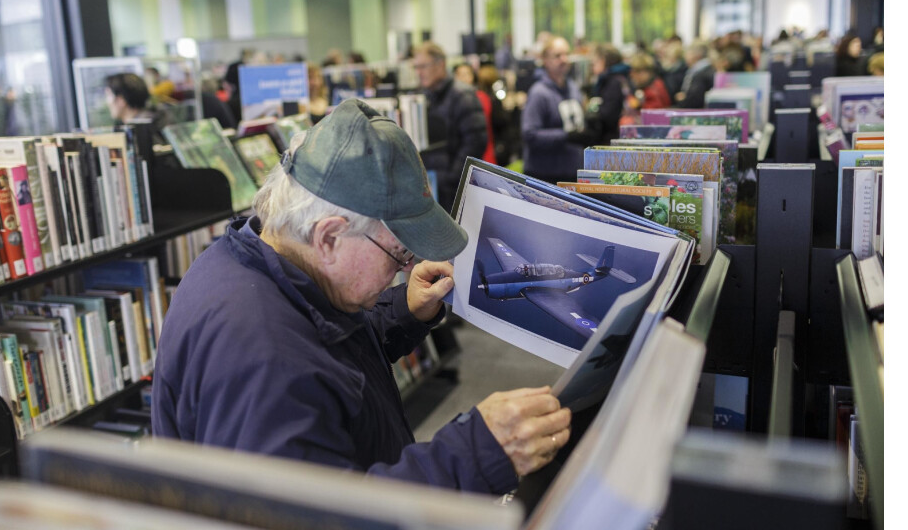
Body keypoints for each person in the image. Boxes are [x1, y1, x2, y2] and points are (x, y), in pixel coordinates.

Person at [152, 99, 572, 493]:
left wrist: (401, 312)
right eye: (398, 252)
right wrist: (475, 455)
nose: (406, 266)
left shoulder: (262, 264)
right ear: (330, 235)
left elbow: (321, 352)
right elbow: (317, 517)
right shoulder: (261, 358)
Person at [413, 42, 488, 212]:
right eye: (416, 67)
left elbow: (475, 142)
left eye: (423, 66)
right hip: (434, 188)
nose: (419, 72)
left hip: (456, 191)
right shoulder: (424, 97)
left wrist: (451, 178)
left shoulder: (463, 95)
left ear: (441, 64)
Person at [521, 35, 587, 184]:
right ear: (545, 60)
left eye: (566, 54)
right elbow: (529, 134)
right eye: (557, 56)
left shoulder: (573, 88)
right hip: (545, 175)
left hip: (572, 171)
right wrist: (565, 136)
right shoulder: (538, 93)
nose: (564, 59)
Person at [585, 43, 632, 147]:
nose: (592, 65)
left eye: (595, 61)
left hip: (611, 140)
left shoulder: (611, 82)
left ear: (603, 60)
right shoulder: (621, 77)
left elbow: (608, 115)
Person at [452, 62, 498, 165]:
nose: (465, 78)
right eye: (461, 75)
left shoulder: (481, 97)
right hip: (460, 156)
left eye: (468, 74)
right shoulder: (451, 101)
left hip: (483, 153)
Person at [104, 72, 167, 142]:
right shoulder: (155, 119)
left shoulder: (142, 131)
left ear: (121, 100)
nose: (107, 102)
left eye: (108, 95)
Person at [674, 42, 715, 108]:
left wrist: (684, 99)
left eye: (688, 53)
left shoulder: (700, 74)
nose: (685, 56)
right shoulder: (705, 69)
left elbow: (695, 99)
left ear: (696, 55)